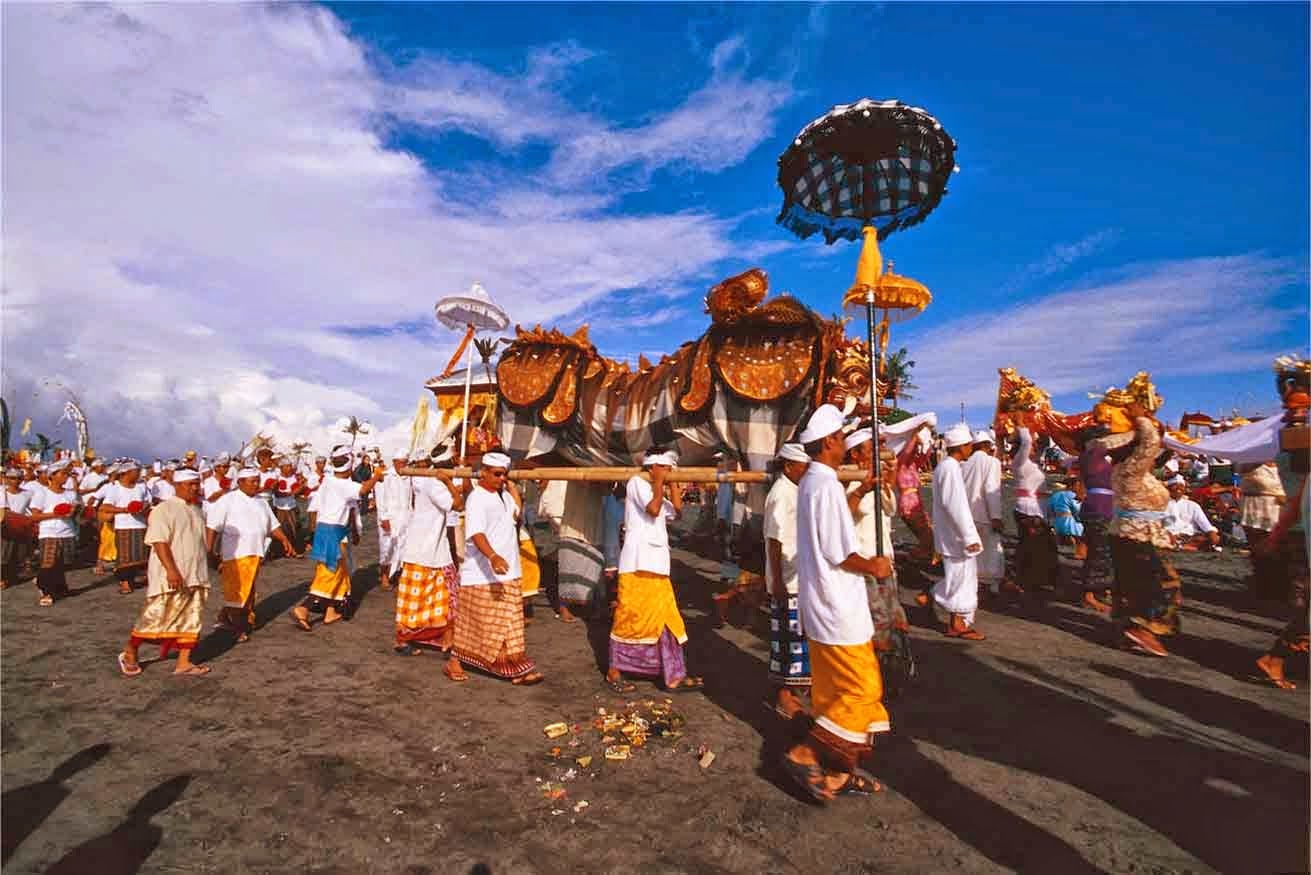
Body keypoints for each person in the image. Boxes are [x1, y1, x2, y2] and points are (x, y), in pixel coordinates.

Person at [783, 404, 892, 802]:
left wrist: (861, 490)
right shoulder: (824, 485)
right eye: (842, 436)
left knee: (833, 696)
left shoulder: (814, 482)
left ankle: (837, 774)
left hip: (823, 607)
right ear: (830, 440)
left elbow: (833, 526)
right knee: (863, 690)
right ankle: (806, 753)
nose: (845, 442)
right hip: (838, 608)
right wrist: (873, 566)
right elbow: (838, 550)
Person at [1093, 376, 1180, 657]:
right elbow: (1151, 443)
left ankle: (1125, 631)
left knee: (1129, 584)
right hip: (1137, 535)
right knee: (1160, 584)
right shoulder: (1130, 469)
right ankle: (1144, 629)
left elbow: (1156, 449)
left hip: (1130, 533)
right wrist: (1140, 416)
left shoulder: (1128, 470)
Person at [606, 447, 702, 694]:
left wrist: (673, 484)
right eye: (666, 468)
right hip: (636, 564)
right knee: (630, 617)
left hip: (657, 564)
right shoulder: (637, 483)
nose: (669, 471)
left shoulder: (655, 487)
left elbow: (676, 512)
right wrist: (659, 482)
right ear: (654, 467)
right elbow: (653, 509)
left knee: (666, 617)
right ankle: (615, 669)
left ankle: (672, 674)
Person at [447, 452, 544, 685]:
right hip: (482, 573)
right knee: (474, 623)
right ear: (484, 473)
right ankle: (454, 660)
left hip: (509, 571)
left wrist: (511, 488)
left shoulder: (504, 496)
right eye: (498, 474)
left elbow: (515, 513)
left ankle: (516, 668)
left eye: (505, 475)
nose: (502, 478)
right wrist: (493, 557)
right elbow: (476, 533)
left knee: (511, 625)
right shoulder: (477, 498)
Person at [117, 471, 211, 678]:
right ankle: (130, 650)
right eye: (190, 484)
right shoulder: (163, 509)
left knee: (192, 618)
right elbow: (159, 541)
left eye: (197, 483)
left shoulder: (198, 509)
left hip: (196, 573)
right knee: (155, 616)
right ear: (177, 485)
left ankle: (184, 662)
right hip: (170, 574)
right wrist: (171, 570)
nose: (195, 488)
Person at [292, 446, 384, 631]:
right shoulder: (343, 485)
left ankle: (331, 611)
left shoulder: (328, 481)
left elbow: (316, 509)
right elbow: (363, 490)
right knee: (330, 573)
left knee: (340, 572)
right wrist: (376, 476)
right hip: (333, 531)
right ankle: (304, 608)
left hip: (326, 530)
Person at [206, 468, 300, 642]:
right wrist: (209, 550)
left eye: (258, 480)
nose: (257, 484)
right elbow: (212, 526)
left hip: (256, 552)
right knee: (238, 591)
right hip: (235, 554)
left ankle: (226, 618)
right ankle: (238, 628)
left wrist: (285, 540)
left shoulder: (262, 502)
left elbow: (273, 526)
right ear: (240, 482)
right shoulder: (228, 500)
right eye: (252, 481)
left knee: (247, 590)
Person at [843, 428, 908, 652]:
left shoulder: (874, 479)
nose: (876, 454)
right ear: (855, 454)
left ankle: (893, 659)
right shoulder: (848, 483)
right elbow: (846, 516)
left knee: (893, 615)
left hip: (884, 556)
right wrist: (862, 489)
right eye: (871, 450)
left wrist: (888, 478)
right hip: (865, 559)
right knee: (876, 619)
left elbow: (890, 509)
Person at [395, 451, 462, 655]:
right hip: (431, 549)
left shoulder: (418, 479)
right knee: (448, 597)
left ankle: (407, 639)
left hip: (418, 546)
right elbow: (457, 504)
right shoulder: (433, 483)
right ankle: (445, 639)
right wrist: (448, 482)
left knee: (414, 600)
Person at [764, 442, 810, 716]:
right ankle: (784, 695)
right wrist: (778, 580)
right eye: (804, 466)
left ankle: (798, 688)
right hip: (787, 579)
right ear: (789, 466)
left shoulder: (796, 490)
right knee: (785, 638)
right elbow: (774, 540)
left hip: (799, 576)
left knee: (800, 636)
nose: (807, 471)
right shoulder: (781, 493)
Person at [931, 424, 985, 639]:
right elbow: (956, 506)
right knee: (962, 578)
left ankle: (936, 599)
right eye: (969, 445)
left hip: (952, 533)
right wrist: (969, 537)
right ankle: (957, 624)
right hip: (956, 535)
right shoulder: (950, 468)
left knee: (959, 577)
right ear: (961, 446)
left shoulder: (945, 467)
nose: (971, 448)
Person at [1009, 425, 1059, 594]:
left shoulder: (1032, 463)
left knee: (1037, 547)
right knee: (1031, 547)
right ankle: (1026, 581)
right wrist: (1022, 425)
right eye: (1033, 445)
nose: (1034, 447)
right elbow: (1027, 441)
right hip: (1028, 509)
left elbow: (1042, 445)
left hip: (1037, 508)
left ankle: (1034, 580)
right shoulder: (1020, 461)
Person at [28, 461, 81, 605]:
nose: (66, 477)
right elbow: (34, 516)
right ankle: (46, 591)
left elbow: (76, 515)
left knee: (62, 563)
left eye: (67, 474)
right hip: (49, 533)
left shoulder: (71, 494)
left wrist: (76, 512)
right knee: (48, 563)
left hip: (68, 532)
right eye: (63, 474)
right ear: (52, 475)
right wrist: (56, 514)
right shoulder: (42, 493)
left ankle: (58, 587)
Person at [962, 430, 1007, 598]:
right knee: (991, 552)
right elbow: (991, 489)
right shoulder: (992, 462)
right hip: (985, 515)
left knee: (972, 553)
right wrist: (996, 516)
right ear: (987, 445)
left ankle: (973, 584)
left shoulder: (964, 464)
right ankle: (989, 586)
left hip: (967, 515)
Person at [100, 463, 154, 595]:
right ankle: (125, 582)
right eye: (136, 471)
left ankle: (137, 578)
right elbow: (105, 507)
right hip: (124, 526)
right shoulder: (115, 488)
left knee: (141, 554)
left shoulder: (141, 487)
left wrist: (143, 507)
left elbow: (148, 501)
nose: (139, 474)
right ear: (127, 473)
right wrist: (125, 509)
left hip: (141, 525)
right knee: (125, 556)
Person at [1078, 428, 1116, 613]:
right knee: (1099, 551)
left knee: (1101, 550)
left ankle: (1097, 589)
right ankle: (1089, 594)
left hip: (1102, 506)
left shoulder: (1094, 458)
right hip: (1098, 507)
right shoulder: (1090, 456)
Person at [1238, 461, 1286, 598]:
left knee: (1278, 548)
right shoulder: (1250, 461)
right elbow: (1242, 469)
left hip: (1278, 508)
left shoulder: (1283, 460)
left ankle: (1277, 585)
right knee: (1260, 548)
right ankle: (1263, 585)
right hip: (1255, 508)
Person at [374, 448, 413, 590]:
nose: (403, 465)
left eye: (405, 462)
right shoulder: (385, 476)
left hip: (405, 517)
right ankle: (384, 576)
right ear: (394, 462)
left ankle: (398, 574)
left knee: (403, 547)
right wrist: (384, 518)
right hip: (389, 517)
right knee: (387, 547)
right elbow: (380, 500)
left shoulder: (409, 476)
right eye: (400, 463)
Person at [1164, 477, 1220, 551]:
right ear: (1168, 488)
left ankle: (1182, 546)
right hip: (1170, 536)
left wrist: (1212, 533)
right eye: (1175, 485)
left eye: (1181, 485)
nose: (1178, 488)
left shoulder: (1193, 505)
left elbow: (1205, 524)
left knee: (1211, 538)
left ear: (1185, 489)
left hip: (1190, 537)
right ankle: (1183, 546)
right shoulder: (1161, 505)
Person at [2, 467, 35, 589]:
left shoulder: (28, 494)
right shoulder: (2, 492)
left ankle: (11, 576)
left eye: (18, 478)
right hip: (4, 526)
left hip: (20, 526)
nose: (15, 481)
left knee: (18, 554)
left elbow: (34, 508)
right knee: (4, 553)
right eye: (12, 478)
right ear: (6, 479)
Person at [270, 457, 303, 558]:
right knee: (280, 530)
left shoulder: (294, 478)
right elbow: (276, 493)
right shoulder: (277, 478)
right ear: (281, 468)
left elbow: (299, 490)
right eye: (287, 466)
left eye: (290, 466)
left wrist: (300, 488)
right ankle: (280, 551)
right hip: (280, 507)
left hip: (291, 506)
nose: (289, 468)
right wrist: (289, 494)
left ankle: (294, 550)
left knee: (294, 529)